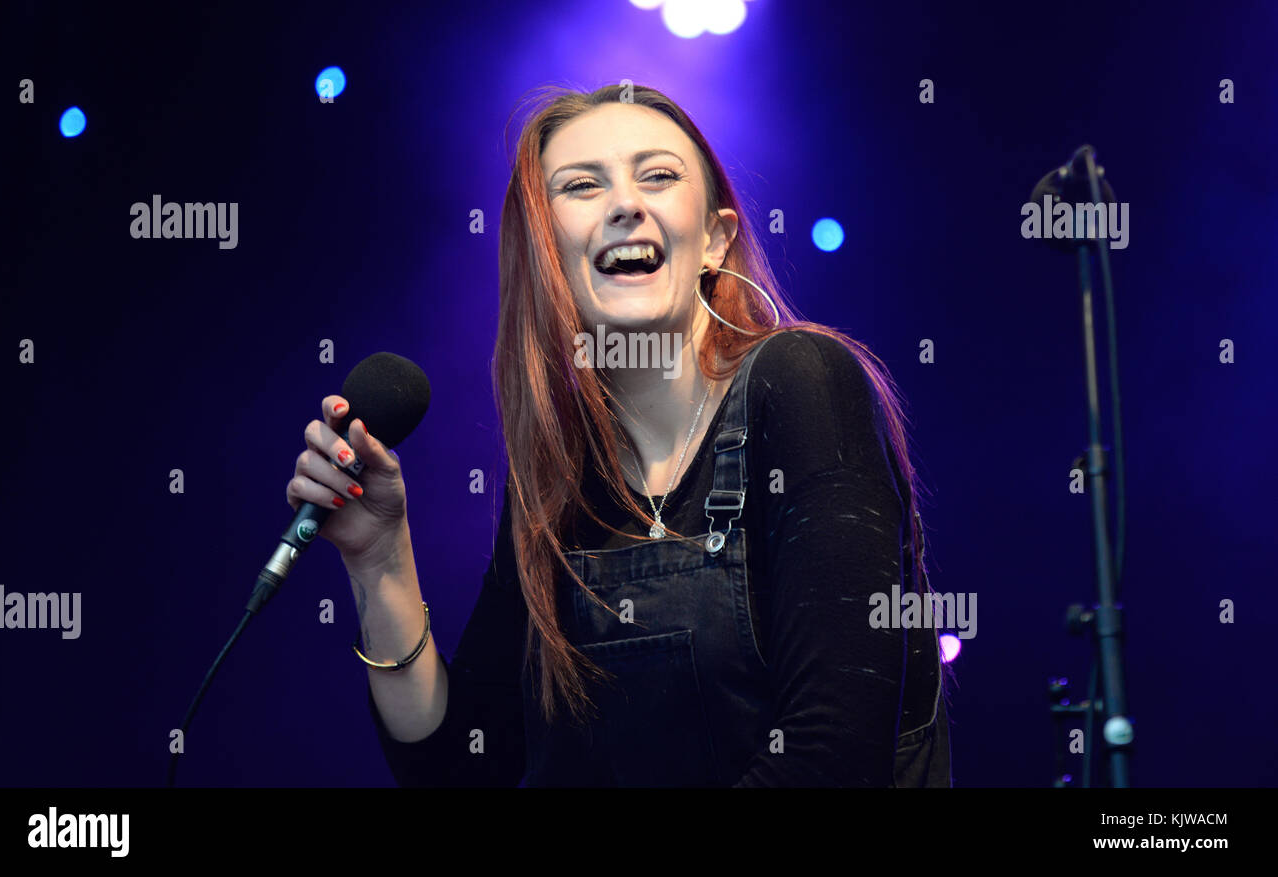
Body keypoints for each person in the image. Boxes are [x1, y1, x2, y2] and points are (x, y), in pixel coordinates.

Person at [287, 83, 953, 786]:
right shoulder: (559, 475)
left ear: (716, 240)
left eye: (658, 175)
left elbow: (834, 756)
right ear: (548, 254)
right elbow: (461, 767)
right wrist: (380, 559)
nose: (627, 203)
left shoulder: (803, 382)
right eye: (581, 185)